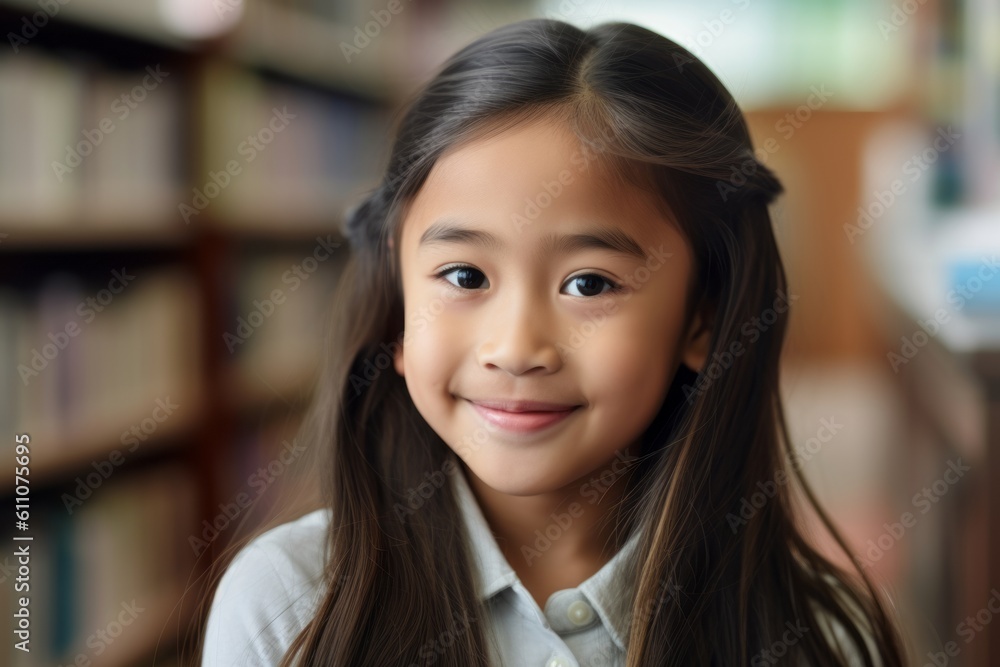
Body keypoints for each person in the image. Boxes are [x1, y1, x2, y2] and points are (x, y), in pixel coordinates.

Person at [199, 18, 907, 666]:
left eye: (590, 284)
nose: (515, 347)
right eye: (464, 274)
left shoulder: (818, 639)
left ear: (701, 319)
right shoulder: (288, 607)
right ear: (397, 308)